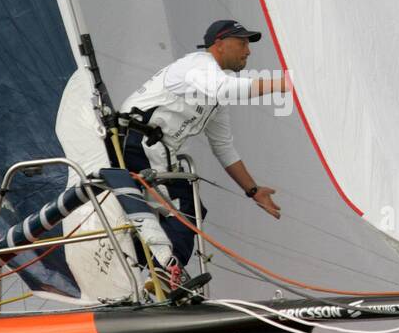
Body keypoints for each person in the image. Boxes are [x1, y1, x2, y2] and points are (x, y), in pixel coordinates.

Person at [119, 19, 289, 290]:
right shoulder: (198, 65)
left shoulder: (215, 90)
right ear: (219, 45)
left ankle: (159, 273)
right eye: (242, 43)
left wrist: (253, 190)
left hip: (152, 149)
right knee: (184, 205)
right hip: (135, 143)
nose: (248, 50)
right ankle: (165, 272)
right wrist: (285, 83)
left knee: (186, 207)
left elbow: (223, 146)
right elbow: (226, 89)